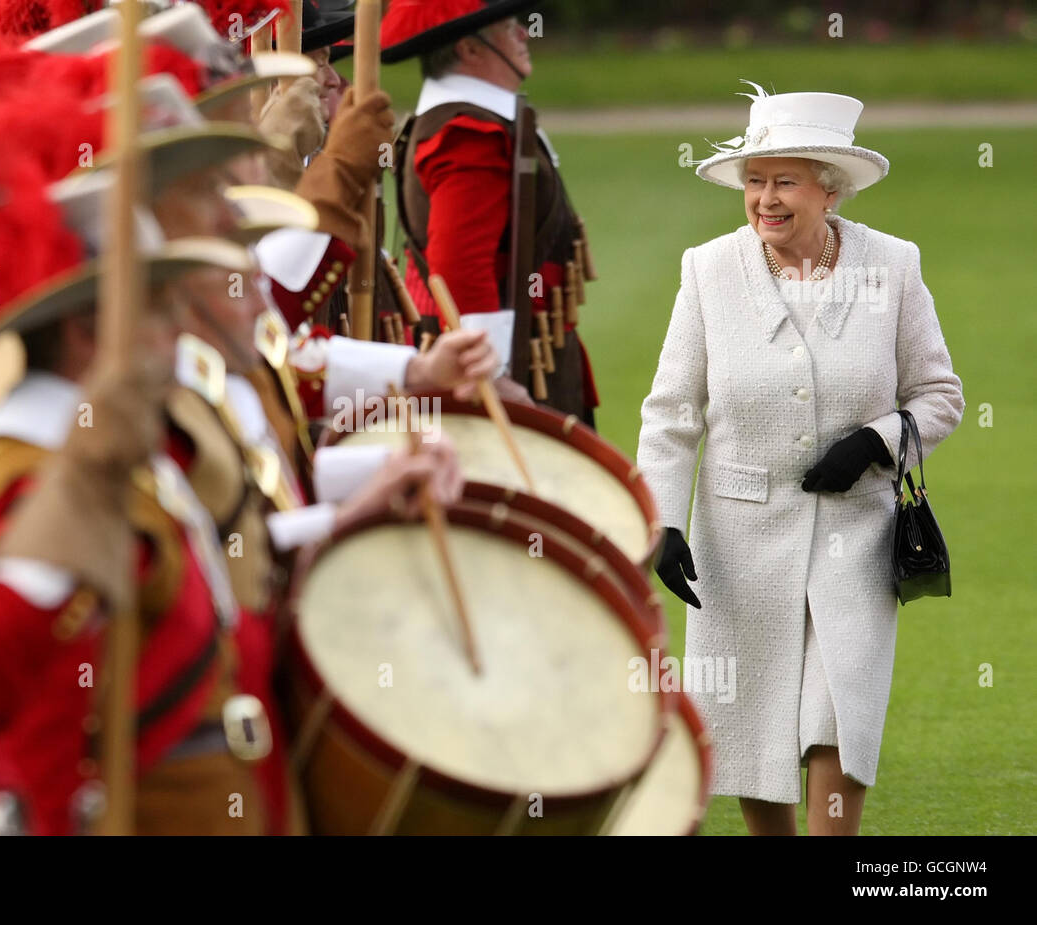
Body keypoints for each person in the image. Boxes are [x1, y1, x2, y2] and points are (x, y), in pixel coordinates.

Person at [636, 84, 964, 836]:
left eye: (784, 181)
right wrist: (660, 518)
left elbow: (939, 395)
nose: (764, 199)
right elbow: (673, 412)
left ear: (829, 187)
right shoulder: (708, 271)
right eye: (755, 181)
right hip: (739, 544)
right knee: (755, 732)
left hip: (857, 538)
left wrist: (874, 442)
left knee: (834, 715)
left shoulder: (894, 265)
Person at [382, 0, 598, 422]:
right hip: (507, 372)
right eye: (507, 26)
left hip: (527, 352)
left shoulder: (471, 120)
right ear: (470, 49)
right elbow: (459, 265)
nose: (523, 34)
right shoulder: (468, 134)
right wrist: (493, 373)